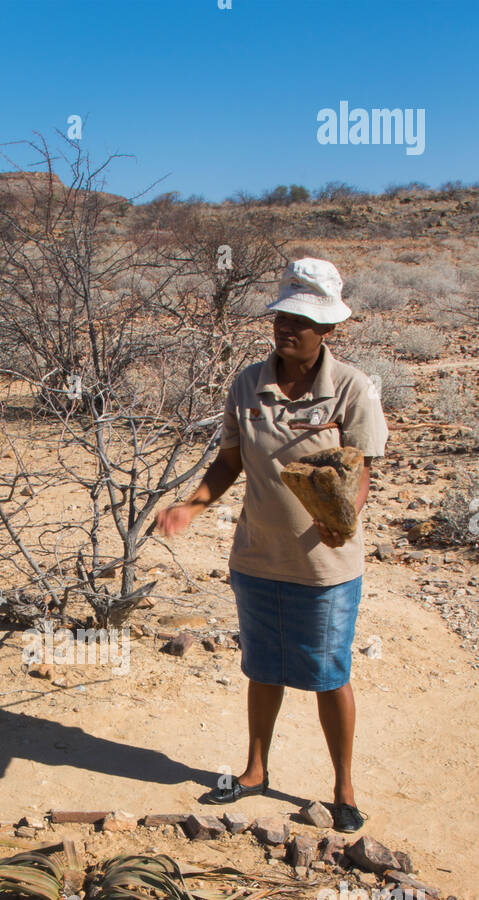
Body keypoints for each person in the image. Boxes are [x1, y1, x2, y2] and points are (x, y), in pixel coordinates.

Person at [154, 258, 388, 833]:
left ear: (327, 329)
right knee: (262, 667)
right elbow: (231, 460)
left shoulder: (353, 389)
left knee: (329, 674)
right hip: (258, 557)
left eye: (301, 320)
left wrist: (347, 514)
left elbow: (361, 471)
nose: (287, 327)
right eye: (282, 315)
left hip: (324, 564)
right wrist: (193, 504)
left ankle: (343, 788)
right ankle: (255, 771)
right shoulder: (247, 384)